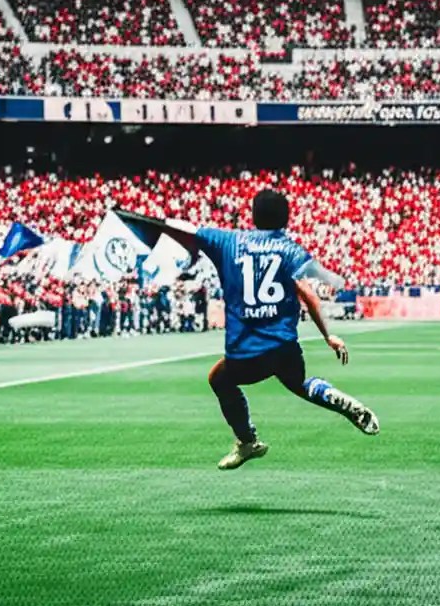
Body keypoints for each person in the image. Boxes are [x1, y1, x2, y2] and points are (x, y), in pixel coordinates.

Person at [160, 189, 380, 470]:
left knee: (219, 378)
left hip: (246, 350)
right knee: (299, 384)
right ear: (286, 219)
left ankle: (247, 441)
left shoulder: (229, 241)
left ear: (252, 215)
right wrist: (328, 336)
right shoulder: (291, 249)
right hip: (285, 347)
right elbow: (309, 294)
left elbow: (186, 230)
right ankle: (331, 397)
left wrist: (146, 222)